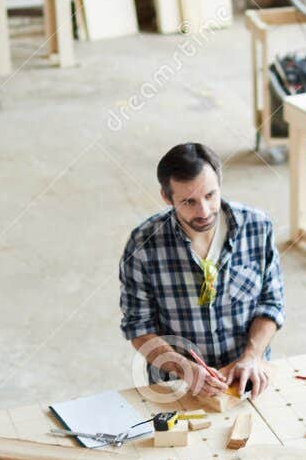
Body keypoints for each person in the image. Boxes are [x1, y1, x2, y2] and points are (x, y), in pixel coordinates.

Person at [120, 143, 284, 398]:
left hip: (246, 380)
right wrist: (184, 369)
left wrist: (251, 357)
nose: (204, 212)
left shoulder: (257, 227)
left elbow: (271, 303)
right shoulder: (143, 245)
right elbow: (138, 328)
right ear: (166, 197)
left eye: (210, 195)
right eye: (189, 202)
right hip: (177, 387)